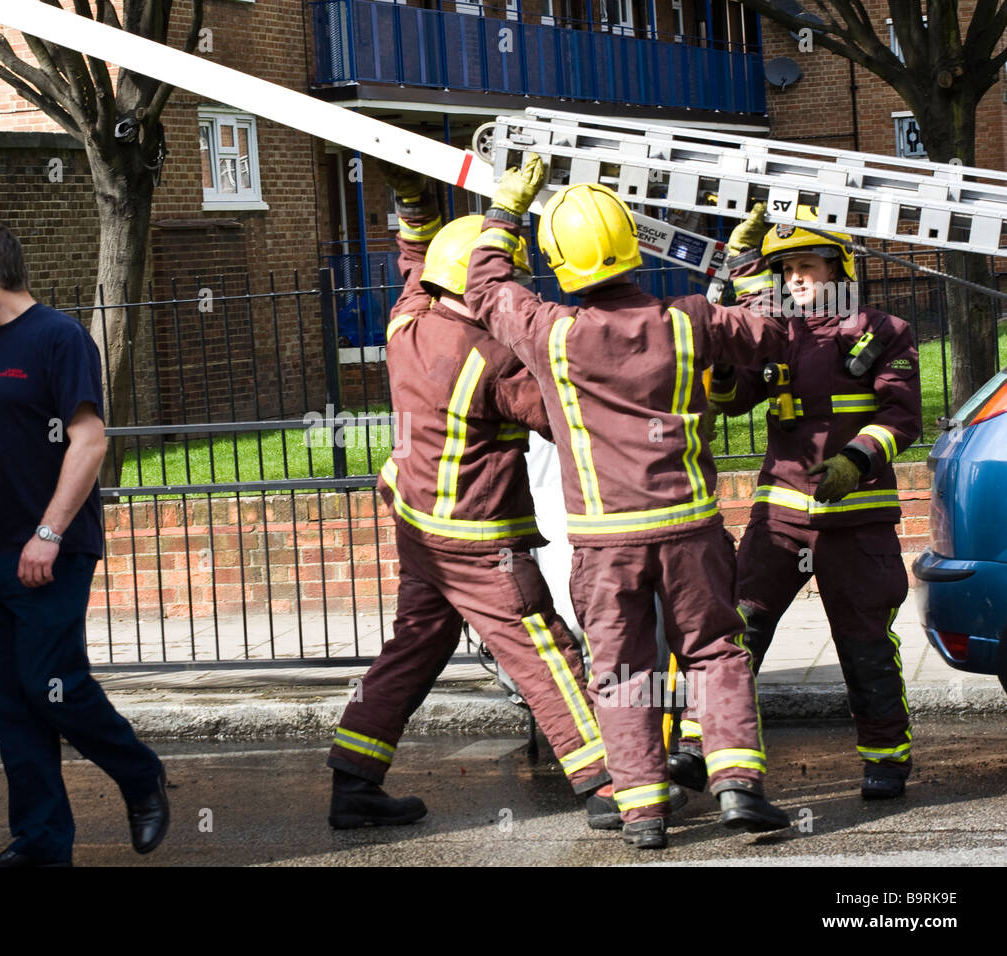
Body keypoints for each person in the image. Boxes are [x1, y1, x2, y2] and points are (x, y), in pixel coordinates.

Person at [465, 158, 791, 849]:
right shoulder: (688, 319)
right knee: (715, 653)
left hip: (604, 543)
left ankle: (643, 814)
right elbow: (769, 331)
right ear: (631, 247)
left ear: (559, 263)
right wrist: (745, 260)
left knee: (621, 673)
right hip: (692, 531)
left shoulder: (550, 332)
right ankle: (737, 787)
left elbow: (486, 289)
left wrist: (505, 211)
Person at [326, 168, 615, 829]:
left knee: (418, 643)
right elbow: (564, 415)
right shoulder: (495, 356)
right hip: (479, 538)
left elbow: (412, 265)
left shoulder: (410, 320)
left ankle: (354, 777)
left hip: (418, 526)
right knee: (543, 651)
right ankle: (608, 784)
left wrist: (412, 209)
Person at [0, 219, 168, 867]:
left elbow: (90, 441)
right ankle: (41, 845)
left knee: (51, 684)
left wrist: (48, 533)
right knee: (8, 701)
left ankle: (139, 774)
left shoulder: (58, 338)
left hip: (48, 552)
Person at [706, 206, 921, 800]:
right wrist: (723, 364)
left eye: (807, 265)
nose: (796, 278)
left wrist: (856, 460)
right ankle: (710, 751)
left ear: (840, 267)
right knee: (738, 628)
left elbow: (901, 416)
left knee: (864, 640)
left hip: (857, 521)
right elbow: (732, 400)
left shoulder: (885, 330)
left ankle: (886, 757)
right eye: (786, 270)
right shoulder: (773, 330)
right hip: (779, 517)